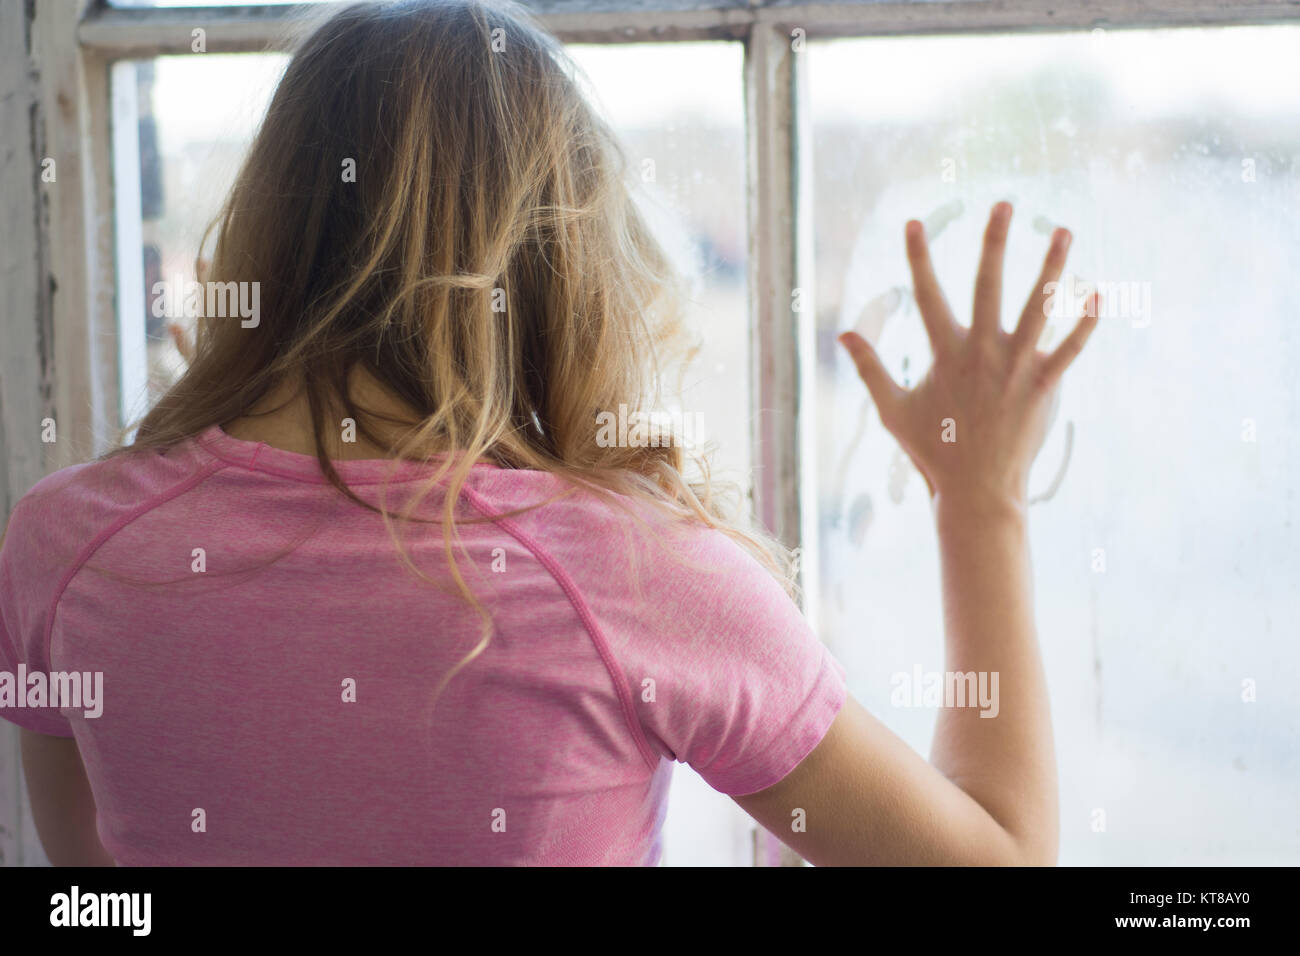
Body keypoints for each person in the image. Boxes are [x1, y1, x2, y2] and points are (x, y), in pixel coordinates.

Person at [0, 0, 1097, 866]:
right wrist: (979, 498)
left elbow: (94, 860)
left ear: (272, 226)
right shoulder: (632, 573)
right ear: (562, 265)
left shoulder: (61, 543)